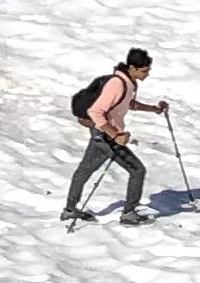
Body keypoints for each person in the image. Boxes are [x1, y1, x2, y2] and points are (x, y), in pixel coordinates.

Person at [66, 47, 166, 225]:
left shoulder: (128, 83)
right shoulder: (117, 84)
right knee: (137, 170)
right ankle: (128, 214)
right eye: (144, 70)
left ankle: (70, 210)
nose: (147, 74)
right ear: (133, 68)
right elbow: (95, 111)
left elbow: (128, 104)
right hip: (106, 136)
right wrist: (115, 134)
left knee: (85, 170)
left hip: (102, 135)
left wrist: (154, 109)